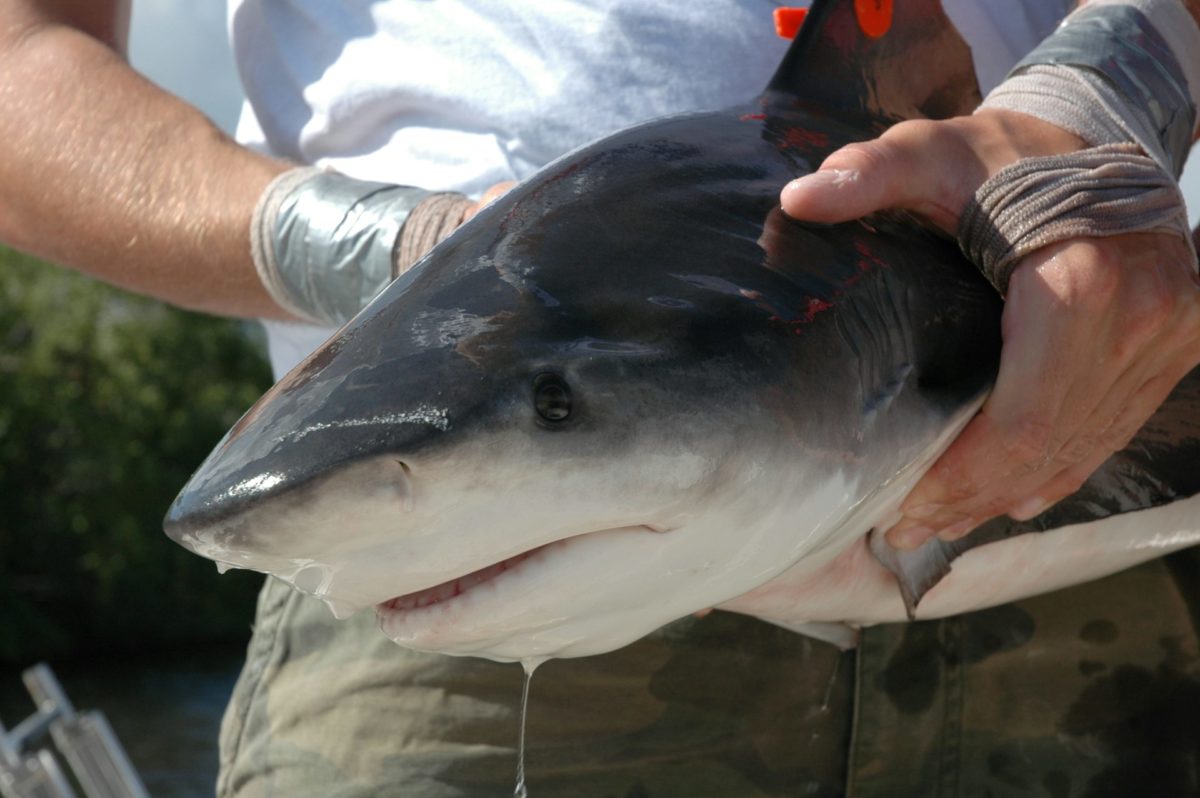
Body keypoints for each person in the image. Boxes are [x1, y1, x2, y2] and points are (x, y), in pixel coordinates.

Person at [1, 0, 1198, 795]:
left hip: (1086, 415)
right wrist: (369, 251)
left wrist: (1109, 85)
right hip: (447, 602)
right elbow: (19, 68)